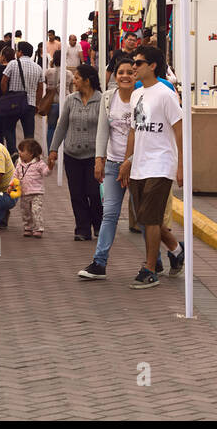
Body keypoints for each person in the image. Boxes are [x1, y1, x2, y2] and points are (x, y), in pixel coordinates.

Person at [119, 45, 186, 289]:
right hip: (139, 164)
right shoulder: (137, 94)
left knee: (151, 217)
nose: (133, 67)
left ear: (153, 66)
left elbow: (180, 129)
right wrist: (127, 161)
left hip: (161, 163)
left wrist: (181, 166)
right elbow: (135, 130)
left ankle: (149, 268)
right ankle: (177, 250)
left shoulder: (165, 94)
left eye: (138, 63)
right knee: (147, 219)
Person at [79, 54, 138, 279]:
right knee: (110, 213)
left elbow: (142, 135)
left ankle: (160, 259)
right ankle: (99, 262)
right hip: (114, 164)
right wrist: (99, 159)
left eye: (129, 72)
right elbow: (103, 131)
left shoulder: (141, 98)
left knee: (144, 217)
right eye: (120, 73)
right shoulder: (108, 98)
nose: (125, 76)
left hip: (138, 166)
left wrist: (130, 162)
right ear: (114, 76)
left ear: (136, 74)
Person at [48, 63, 104, 240]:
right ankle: (82, 229)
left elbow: (106, 129)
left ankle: (98, 224)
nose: (74, 80)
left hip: (93, 156)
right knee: (77, 194)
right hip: (72, 155)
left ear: (87, 80)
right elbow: (62, 125)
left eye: (77, 77)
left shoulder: (102, 100)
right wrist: (53, 149)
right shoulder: (71, 99)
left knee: (94, 193)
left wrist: (103, 156)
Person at [0, 41, 44, 150]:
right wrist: (37, 103)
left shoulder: (13, 63)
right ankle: (28, 155)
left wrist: (6, 95)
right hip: (30, 104)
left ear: (20, 52)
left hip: (13, 103)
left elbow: (4, 81)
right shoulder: (38, 68)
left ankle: (13, 152)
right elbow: (40, 88)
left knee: (9, 129)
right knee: (29, 134)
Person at [14, 138, 50, 237]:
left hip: (36, 192)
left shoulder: (39, 163)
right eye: (19, 150)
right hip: (24, 192)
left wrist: (50, 167)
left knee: (36, 210)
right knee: (25, 211)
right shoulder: (19, 163)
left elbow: (46, 172)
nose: (19, 152)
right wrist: (11, 184)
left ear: (31, 153)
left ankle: (39, 229)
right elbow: (15, 175)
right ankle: (28, 227)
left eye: (22, 151)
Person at [41, 49, 62, 150]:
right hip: (64, 103)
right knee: (65, 128)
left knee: (51, 128)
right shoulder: (69, 73)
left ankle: (51, 150)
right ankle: (64, 151)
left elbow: (44, 81)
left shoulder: (48, 72)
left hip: (52, 102)